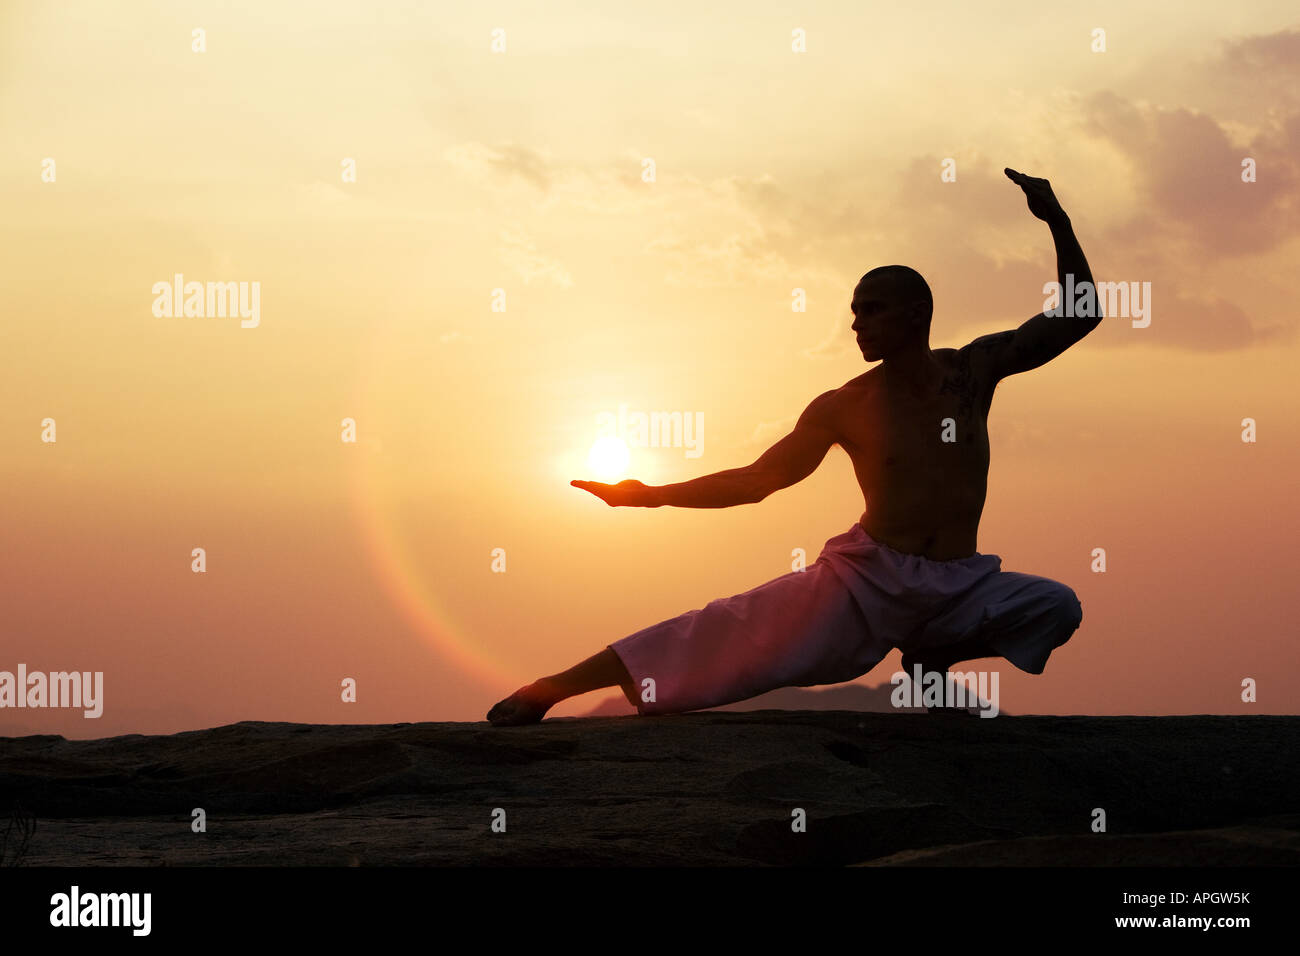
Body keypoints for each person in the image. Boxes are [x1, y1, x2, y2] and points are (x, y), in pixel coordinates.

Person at [488, 168, 1097, 726]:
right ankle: (547, 689)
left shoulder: (972, 372)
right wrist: (648, 496)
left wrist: (1059, 223)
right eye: (854, 312)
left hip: (960, 581)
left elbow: (1078, 314)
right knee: (722, 628)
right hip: (867, 579)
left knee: (1056, 606)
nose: (856, 325)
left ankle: (931, 653)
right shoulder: (843, 406)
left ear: (916, 315)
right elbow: (757, 481)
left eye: (872, 311)